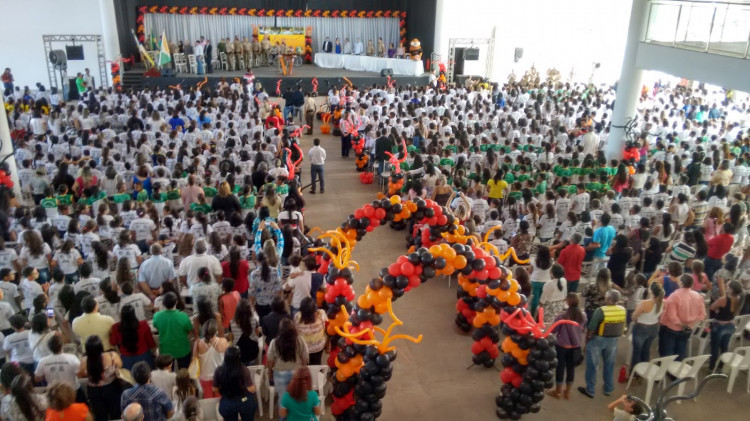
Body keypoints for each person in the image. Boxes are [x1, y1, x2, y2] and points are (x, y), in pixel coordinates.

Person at [578, 290, 625, 399]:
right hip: (613, 340)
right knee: (609, 365)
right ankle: (608, 388)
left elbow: (591, 328)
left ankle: (590, 390)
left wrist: (587, 340)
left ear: (608, 299)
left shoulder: (600, 311)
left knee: (593, 365)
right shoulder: (622, 310)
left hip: (598, 340)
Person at [658, 274, 706, 361]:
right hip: (688, 328)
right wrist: (690, 324)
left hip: (671, 328)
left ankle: (665, 369)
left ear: (681, 283)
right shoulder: (698, 296)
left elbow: (672, 317)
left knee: (667, 351)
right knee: (681, 350)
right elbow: (702, 314)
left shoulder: (675, 296)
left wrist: (682, 325)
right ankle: (676, 371)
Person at [547, 293, 586, 400]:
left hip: (562, 346)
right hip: (576, 347)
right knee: (571, 369)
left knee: (560, 368)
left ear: (568, 302)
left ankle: (558, 392)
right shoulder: (583, 315)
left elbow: (553, 331)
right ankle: (567, 392)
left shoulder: (561, 317)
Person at [266, 318, 308, 412]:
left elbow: (270, 360)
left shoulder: (274, 342)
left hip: (280, 373)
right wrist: (303, 368)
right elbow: (305, 356)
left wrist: (270, 372)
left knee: (282, 398)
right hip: (297, 372)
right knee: (297, 397)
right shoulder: (300, 340)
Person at [78, 335, 123, 421]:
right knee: (116, 413)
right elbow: (120, 365)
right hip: (112, 387)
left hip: (94, 391)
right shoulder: (111, 355)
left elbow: (81, 375)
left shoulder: (84, 361)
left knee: (100, 415)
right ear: (101, 347)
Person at [35, 335, 85, 402]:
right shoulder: (72, 358)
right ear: (62, 345)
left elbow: (37, 379)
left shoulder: (42, 361)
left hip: (54, 393)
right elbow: (80, 375)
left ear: (49, 348)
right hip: (72, 391)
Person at [212, 346, 256, 421]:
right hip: (244, 400)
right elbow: (252, 389)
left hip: (227, 403)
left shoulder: (219, 370)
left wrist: (223, 392)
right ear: (238, 357)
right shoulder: (244, 370)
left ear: (225, 357)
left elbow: (214, 389)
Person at [708, 280, 745, 370]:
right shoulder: (739, 299)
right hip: (730, 326)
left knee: (715, 347)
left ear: (731, 290)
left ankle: (711, 367)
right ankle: (721, 366)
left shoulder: (724, 299)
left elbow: (712, 307)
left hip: (719, 326)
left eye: (727, 286)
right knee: (724, 346)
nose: (725, 286)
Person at [152, 292, 194, 370]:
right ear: (176, 302)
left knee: (167, 373)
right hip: (182, 349)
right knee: (184, 372)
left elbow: (156, 326)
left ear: (163, 303)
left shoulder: (157, 316)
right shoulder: (183, 316)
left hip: (165, 350)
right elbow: (190, 331)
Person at [629, 282, 664, 371]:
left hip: (641, 328)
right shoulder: (663, 303)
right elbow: (660, 317)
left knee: (637, 352)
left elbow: (634, 316)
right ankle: (644, 370)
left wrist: (637, 322)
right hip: (653, 329)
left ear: (651, 291)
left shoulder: (644, 303)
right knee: (646, 350)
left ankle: (635, 374)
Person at [110, 305, 156, 370]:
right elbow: (151, 342)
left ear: (121, 315)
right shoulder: (143, 325)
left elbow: (113, 342)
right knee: (146, 375)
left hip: (126, 358)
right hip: (144, 356)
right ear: (134, 314)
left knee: (130, 378)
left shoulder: (115, 327)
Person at [195, 319, 229, 398]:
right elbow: (228, 360)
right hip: (220, 377)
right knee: (219, 400)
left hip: (204, 377)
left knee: (208, 399)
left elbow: (196, 362)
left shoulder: (198, 343)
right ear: (216, 330)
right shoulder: (223, 341)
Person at [294, 297, 327, 365]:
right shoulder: (321, 315)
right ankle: (316, 373)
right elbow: (326, 326)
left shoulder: (297, 317)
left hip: (303, 347)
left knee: (305, 364)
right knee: (317, 362)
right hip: (318, 346)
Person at [529, 245, 552, 316]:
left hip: (535, 281)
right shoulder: (551, 261)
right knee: (543, 299)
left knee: (535, 300)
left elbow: (530, 271)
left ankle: (533, 314)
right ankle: (540, 315)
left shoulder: (535, 260)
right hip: (546, 281)